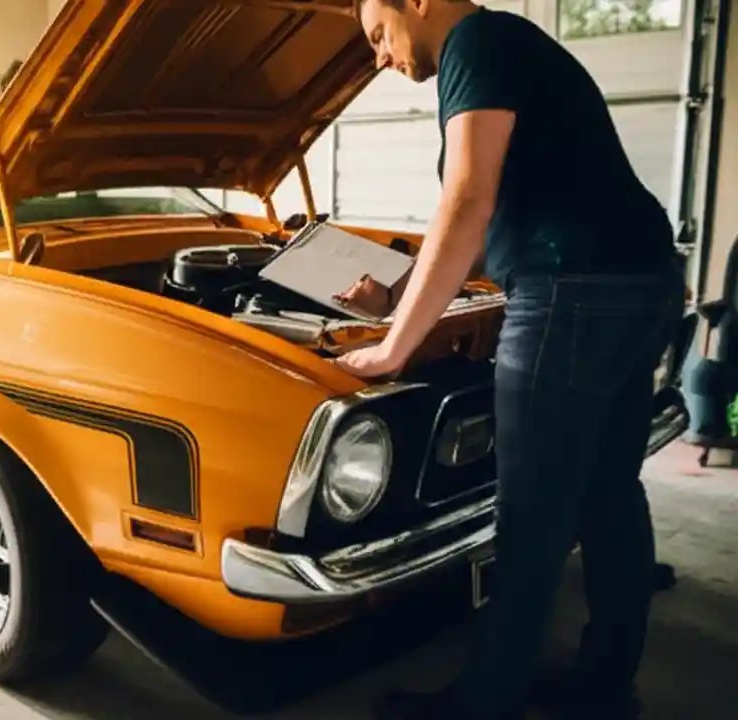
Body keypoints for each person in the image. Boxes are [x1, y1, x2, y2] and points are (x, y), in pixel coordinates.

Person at [332, 1, 685, 719]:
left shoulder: (477, 42)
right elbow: (511, 215)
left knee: (531, 518)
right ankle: (603, 688)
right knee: (609, 493)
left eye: (377, 35)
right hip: (639, 280)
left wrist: (397, 342)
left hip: (573, 293)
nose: (378, 57)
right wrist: (397, 293)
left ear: (420, 4)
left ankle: (482, 704)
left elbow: (469, 199)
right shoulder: (510, 45)